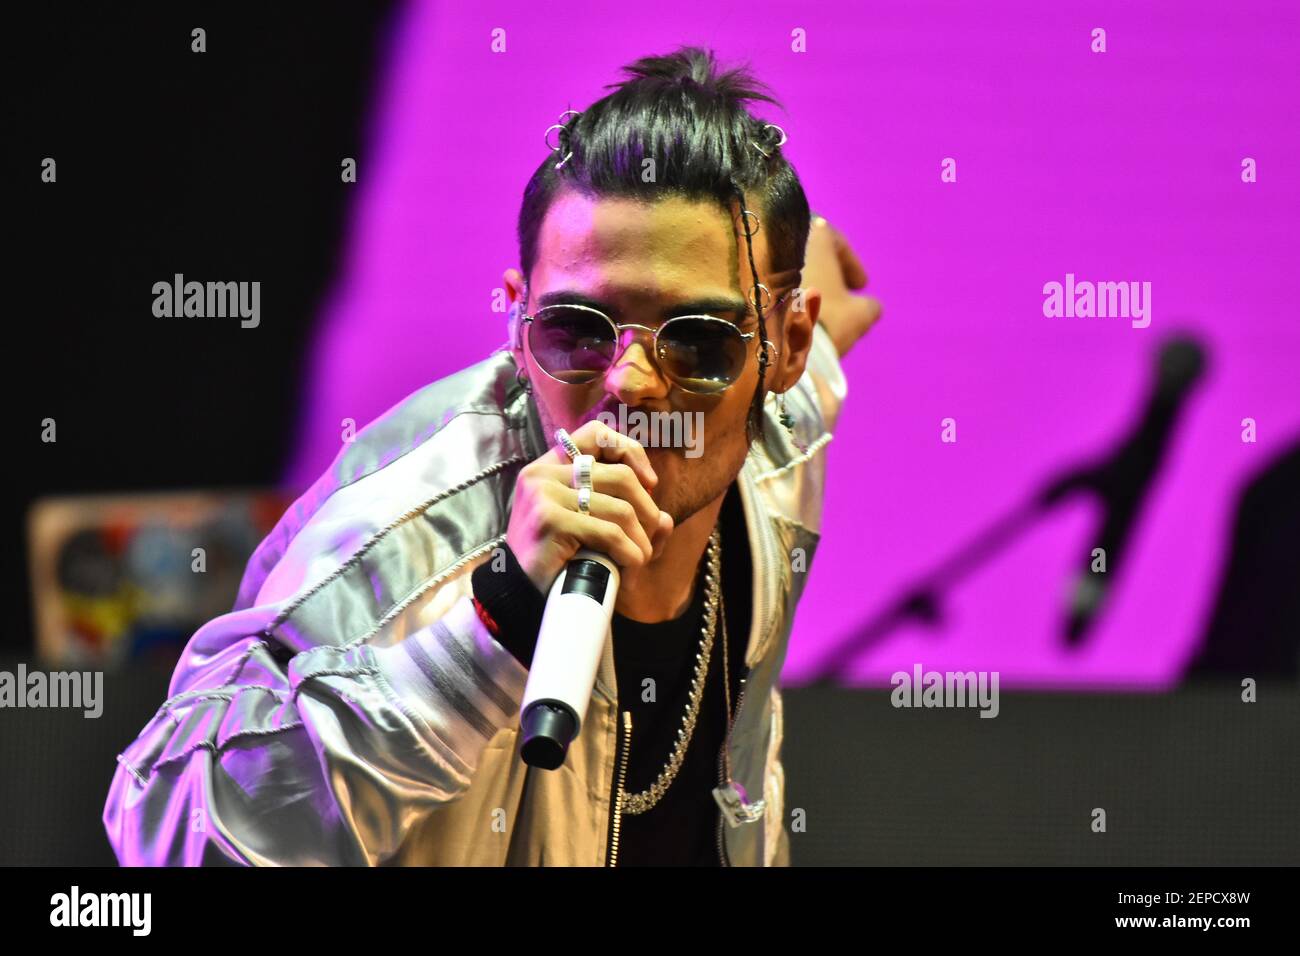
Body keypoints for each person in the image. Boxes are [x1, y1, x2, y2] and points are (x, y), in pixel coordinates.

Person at [102, 45, 881, 866]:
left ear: (782, 348)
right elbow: (166, 832)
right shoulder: (404, 539)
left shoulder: (779, 439)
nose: (634, 383)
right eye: (579, 329)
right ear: (517, 321)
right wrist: (492, 627)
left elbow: (811, 357)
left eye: (696, 342)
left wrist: (815, 289)